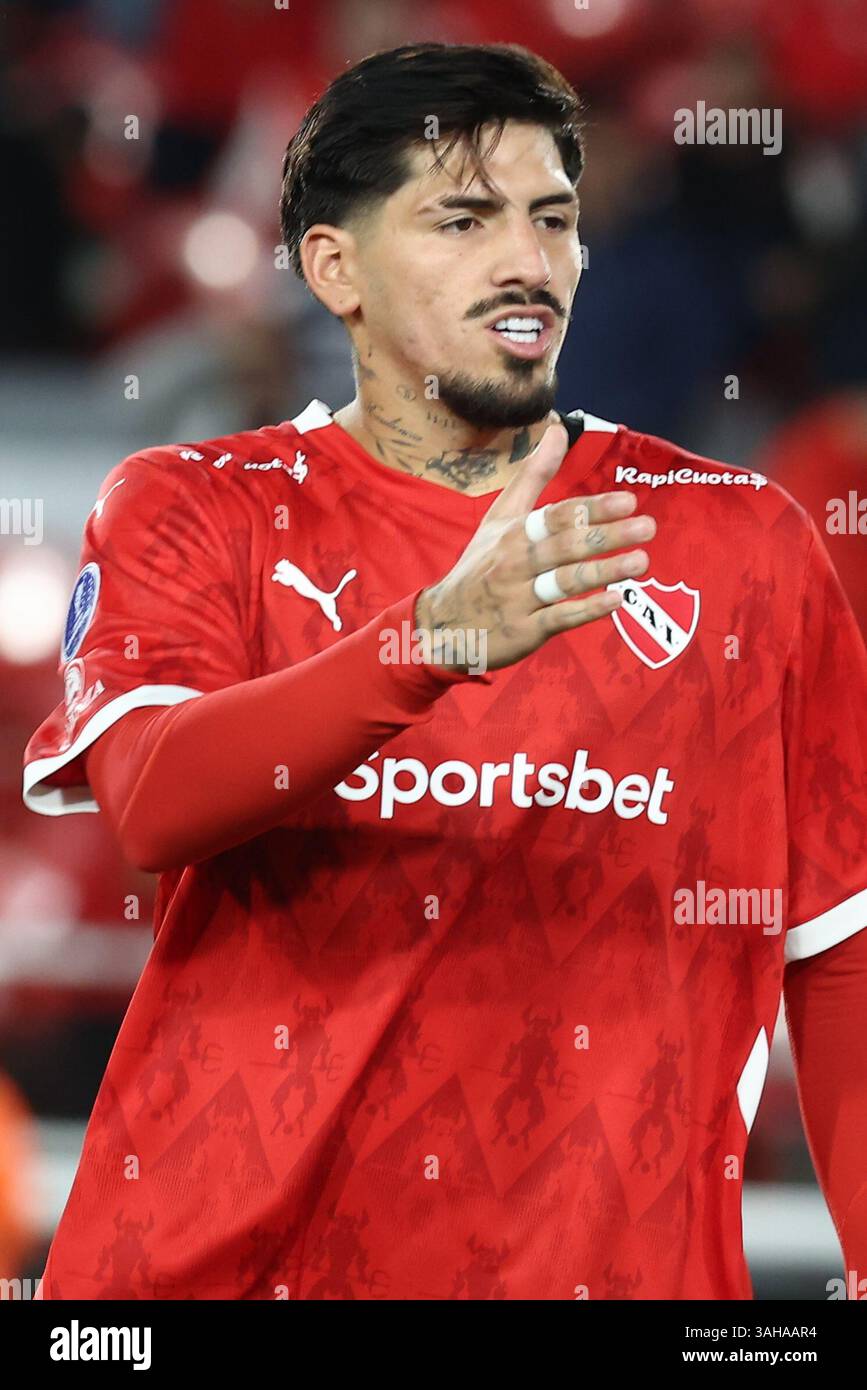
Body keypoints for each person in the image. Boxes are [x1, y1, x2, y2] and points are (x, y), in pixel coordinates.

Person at [24, 43, 867, 1300]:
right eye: (463, 219)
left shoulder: (740, 540)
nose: (527, 261)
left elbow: (839, 944)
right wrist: (428, 643)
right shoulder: (199, 507)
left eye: (553, 219)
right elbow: (150, 800)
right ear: (335, 268)